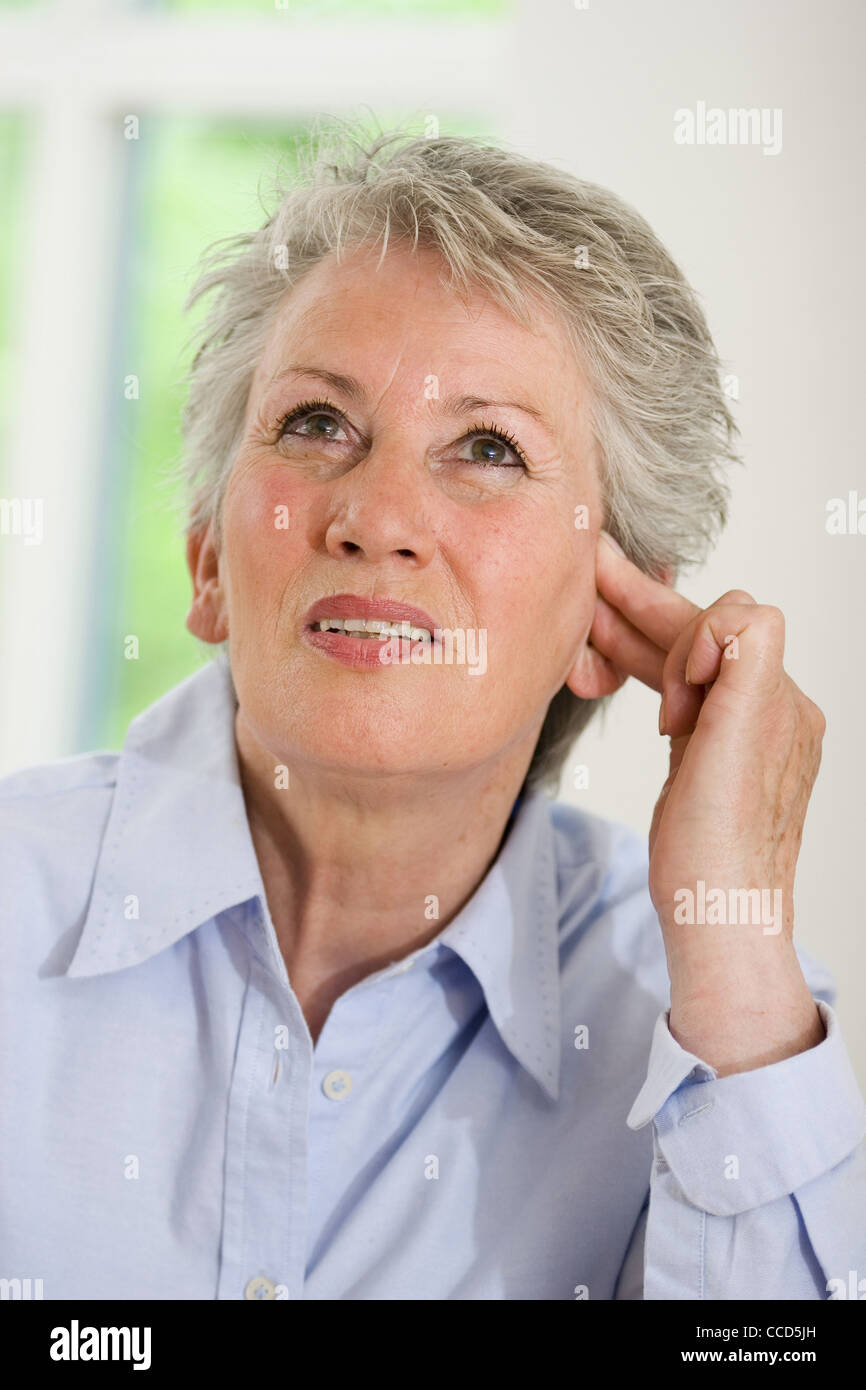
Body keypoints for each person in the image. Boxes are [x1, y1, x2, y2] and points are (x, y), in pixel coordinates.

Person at [2, 124, 864, 1301]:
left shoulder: (711, 1026)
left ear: (609, 612)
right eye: (317, 424)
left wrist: (735, 936)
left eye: (486, 447)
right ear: (205, 561)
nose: (376, 514)